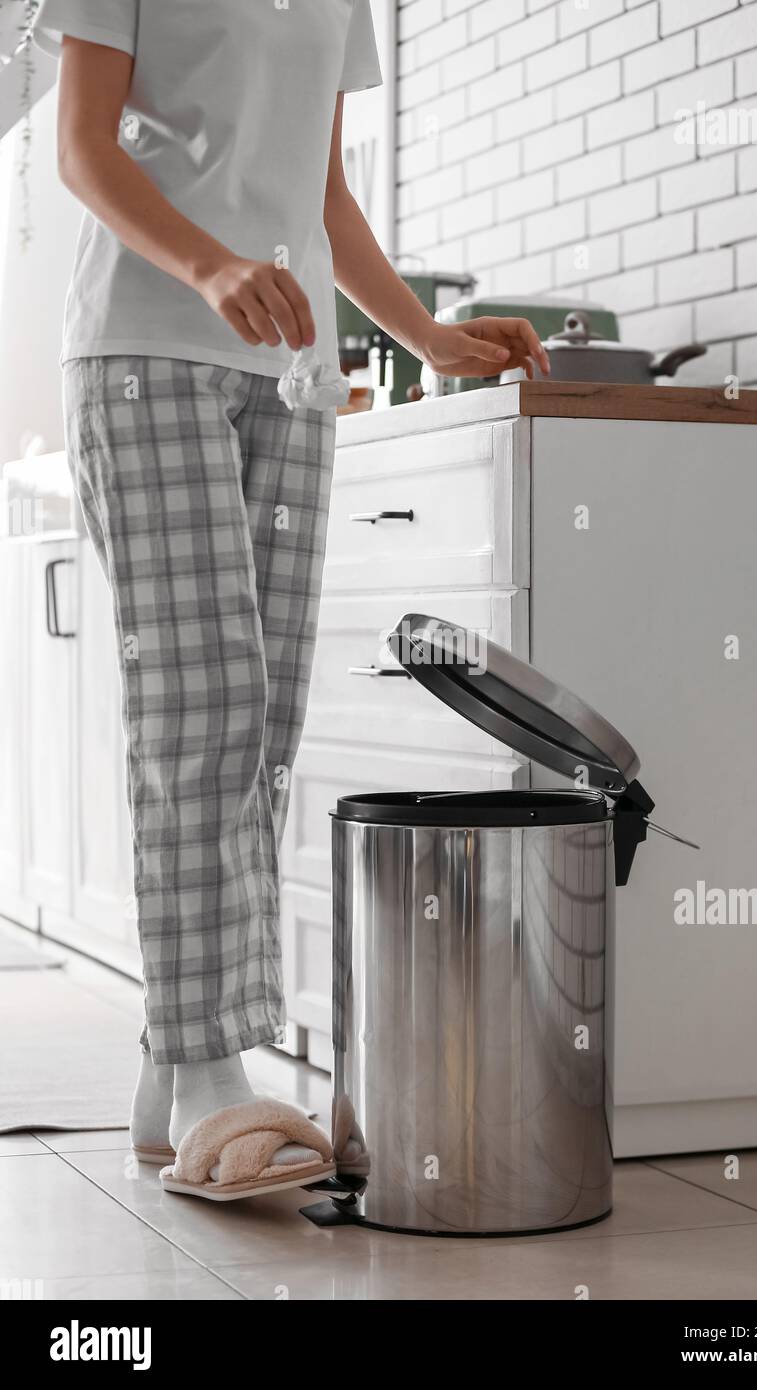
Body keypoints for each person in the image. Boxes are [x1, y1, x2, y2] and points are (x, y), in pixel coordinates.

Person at [32, 0, 549, 1200]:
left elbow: (316, 189)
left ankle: (175, 1070)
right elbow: (83, 148)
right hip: (147, 346)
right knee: (202, 703)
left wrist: (423, 335)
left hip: (293, 370)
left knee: (258, 723)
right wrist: (208, 263)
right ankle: (214, 1051)